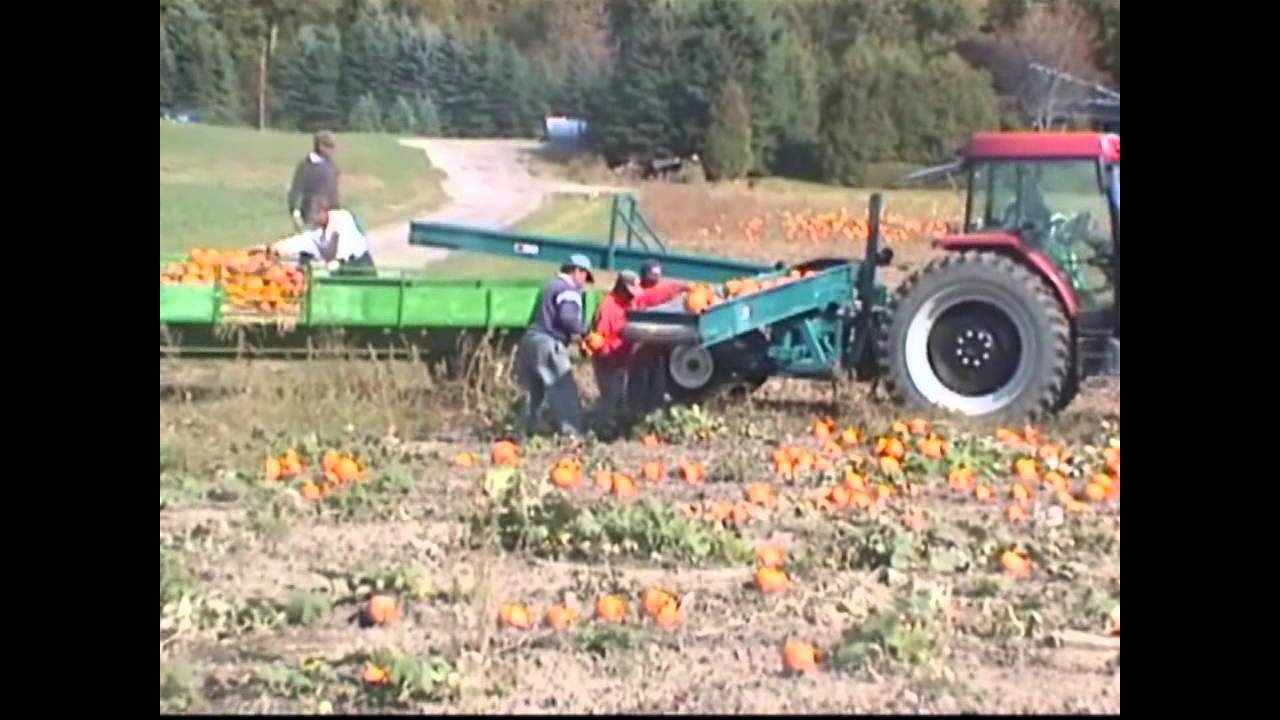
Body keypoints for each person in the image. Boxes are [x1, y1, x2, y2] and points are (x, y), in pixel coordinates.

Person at [515, 254, 595, 437]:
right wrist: (586, 332)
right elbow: (567, 318)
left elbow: (551, 319)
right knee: (563, 390)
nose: (584, 282)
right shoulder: (569, 290)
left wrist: (575, 339)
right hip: (549, 343)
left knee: (533, 393)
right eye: (584, 276)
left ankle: (523, 433)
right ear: (577, 271)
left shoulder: (549, 286)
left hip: (531, 341)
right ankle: (572, 435)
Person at [591, 268, 686, 421]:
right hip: (609, 364)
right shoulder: (608, 308)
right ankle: (601, 430)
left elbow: (654, 295)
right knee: (612, 400)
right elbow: (599, 341)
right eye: (630, 293)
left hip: (624, 361)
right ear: (621, 288)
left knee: (624, 400)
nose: (633, 298)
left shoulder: (633, 300)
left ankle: (620, 426)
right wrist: (612, 351)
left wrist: (680, 287)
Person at [288, 131, 341, 232]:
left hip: (331, 213)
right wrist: (295, 211)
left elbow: (334, 190)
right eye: (330, 147)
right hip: (311, 214)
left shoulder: (332, 165)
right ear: (321, 146)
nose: (333, 151)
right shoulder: (306, 166)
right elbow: (296, 189)